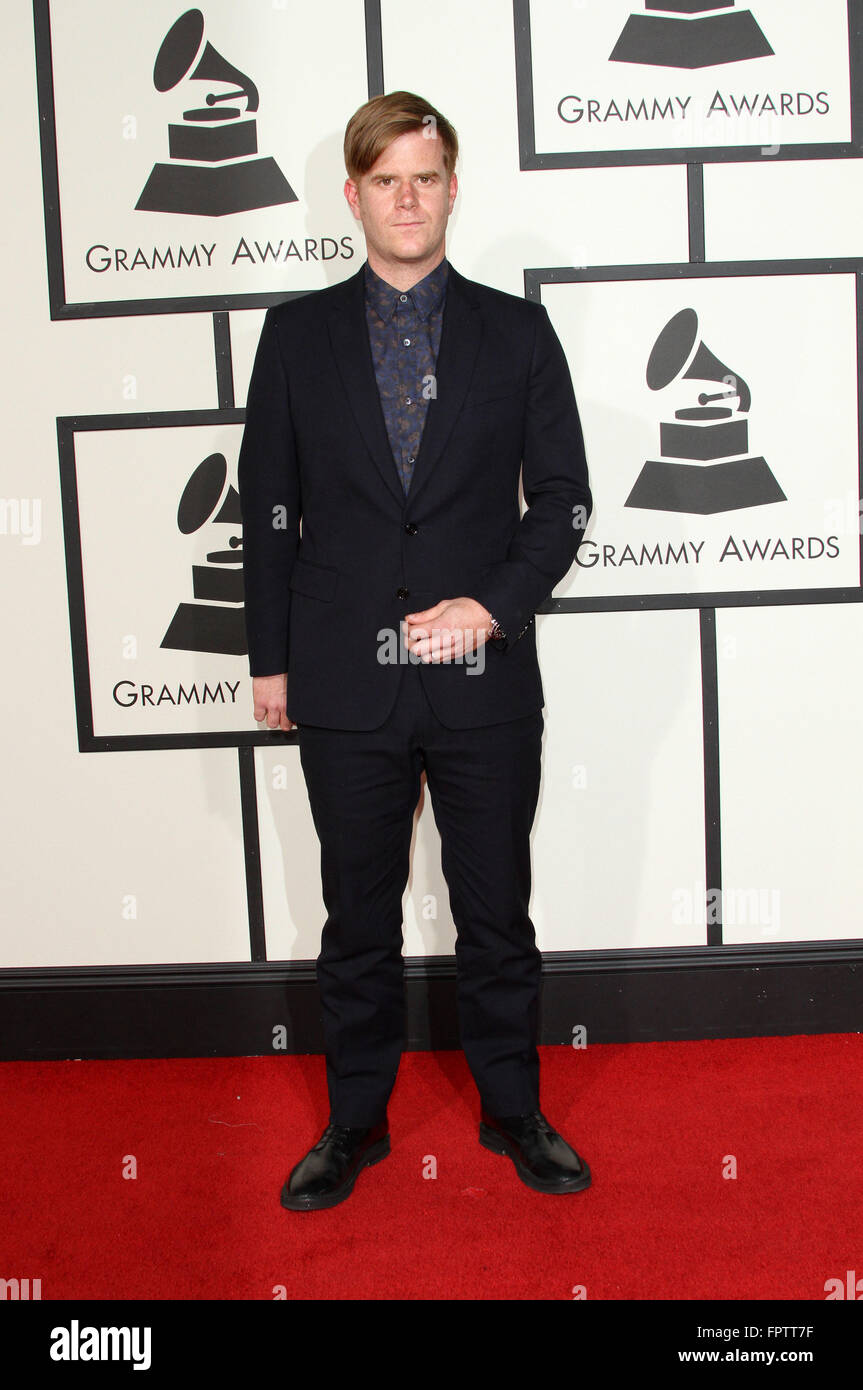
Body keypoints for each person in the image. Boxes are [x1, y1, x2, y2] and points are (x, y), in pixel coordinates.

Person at [237, 91, 593, 1211]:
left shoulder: (517, 333)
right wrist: (269, 660)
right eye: (384, 178)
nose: (406, 196)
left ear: (451, 188)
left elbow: (565, 505)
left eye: (424, 176)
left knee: (495, 910)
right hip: (342, 679)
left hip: (483, 683)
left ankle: (511, 1110)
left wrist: (488, 607)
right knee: (354, 916)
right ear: (352, 195)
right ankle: (353, 1124)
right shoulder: (293, 338)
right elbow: (268, 510)